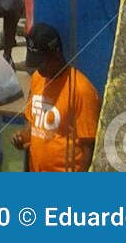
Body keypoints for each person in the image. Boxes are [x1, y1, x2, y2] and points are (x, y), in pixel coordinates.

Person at [13, 21, 101, 171]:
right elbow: (32, 123)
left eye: (42, 63)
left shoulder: (82, 90)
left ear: (56, 54)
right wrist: (23, 137)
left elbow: (89, 148)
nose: (39, 69)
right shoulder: (37, 79)